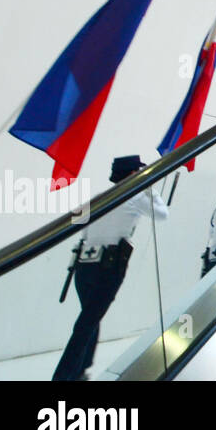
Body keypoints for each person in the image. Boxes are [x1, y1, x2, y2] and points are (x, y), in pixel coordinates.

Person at [53, 155, 168, 381]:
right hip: (108, 267)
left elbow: (75, 221)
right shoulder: (135, 197)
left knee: (90, 317)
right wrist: (150, 190)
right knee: (86, 323)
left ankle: (82, 368)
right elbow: (163, 214)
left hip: (83, 266)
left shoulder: (99, 197)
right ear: (134, 174)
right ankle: (64, 376)